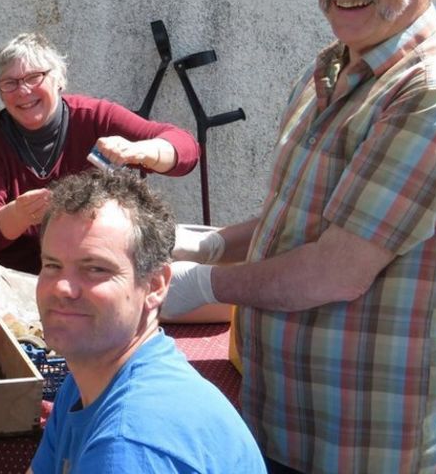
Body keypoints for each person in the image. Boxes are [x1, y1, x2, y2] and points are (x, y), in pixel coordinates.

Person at [163, 0, 436, 471]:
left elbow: (336, 269)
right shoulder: (328, 70)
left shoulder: (431, 91)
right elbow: (292, 224)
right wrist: (202, 243)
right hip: (282, 424)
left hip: (365, 445)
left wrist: (201, 284)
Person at [28, 168, 264, 474]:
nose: (62, 287)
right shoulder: (84, 380)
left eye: (96, 269)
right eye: (52, 265)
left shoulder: (128, 446)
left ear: (154, 286)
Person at [0, 33, 198, 274]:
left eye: (34, 77)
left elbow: (187, 149)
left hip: (95, 271)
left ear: (58, 79)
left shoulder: (95, 117)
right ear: (0, 91)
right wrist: (19, 214)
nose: (23, 90)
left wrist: (140, 150)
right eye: (9, 83)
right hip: (14, 275)